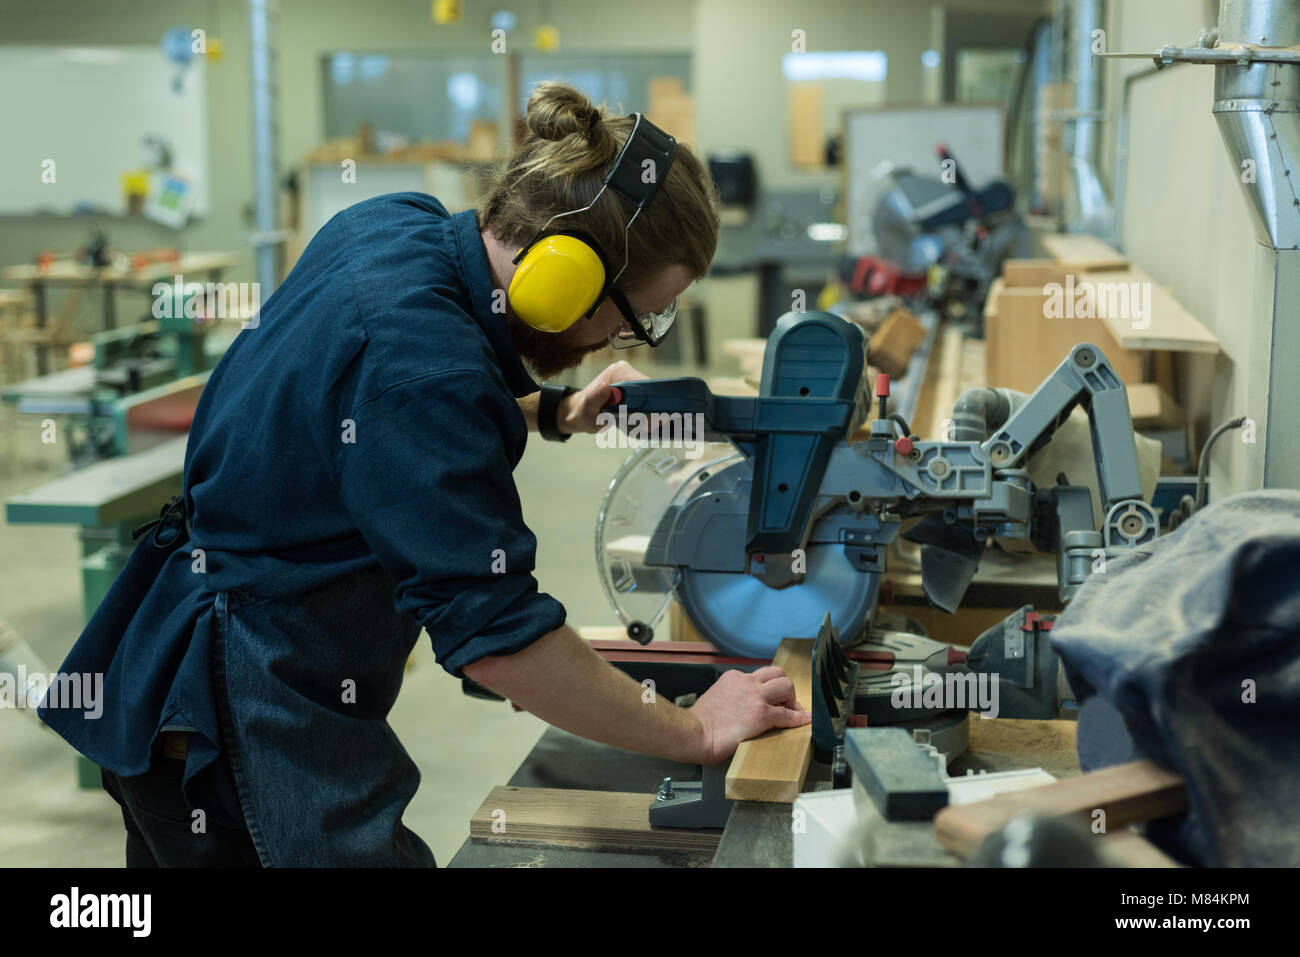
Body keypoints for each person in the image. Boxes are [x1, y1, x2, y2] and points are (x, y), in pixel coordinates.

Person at [38, 82, 809, 867]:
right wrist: (695, 726)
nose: (629, 337)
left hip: (187, 672)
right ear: (563, 272)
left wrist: (553, 410)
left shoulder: (397, 225)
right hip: (235, 720)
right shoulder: (421, 369)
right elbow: (497, 638)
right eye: (637, 313)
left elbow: (376, 398)